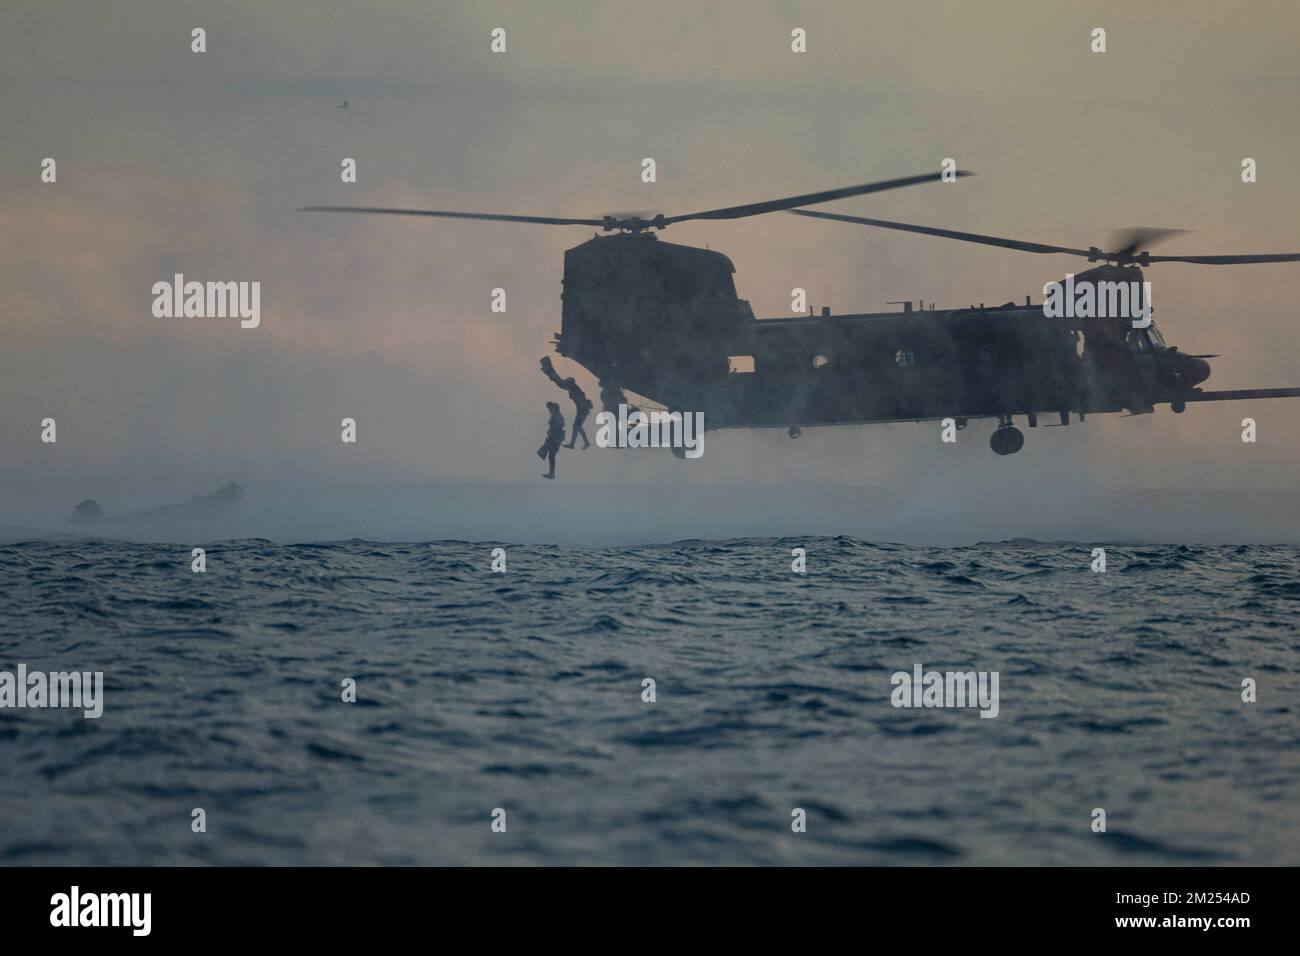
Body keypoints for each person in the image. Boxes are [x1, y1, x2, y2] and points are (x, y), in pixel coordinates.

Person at [540, 356, 592, 449]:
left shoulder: (576, 390)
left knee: (577, 426)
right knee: (576, 427)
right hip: (582, 410)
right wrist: (550, 373)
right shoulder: (573, 389)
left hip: (583, 410)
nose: (566, 384)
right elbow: (560, 382)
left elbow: (561, 383)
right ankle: (576, 443)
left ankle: (582, 443)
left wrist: (550, 373)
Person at [537, 402, 565, 479]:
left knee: (551, 456)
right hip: (553, 438)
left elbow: (560, 425)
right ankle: (551, 473)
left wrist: (553, 432)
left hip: (555, 438)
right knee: (550, 456)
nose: (549, 410)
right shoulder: (555, 416)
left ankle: (551, 474)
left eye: (550, 409)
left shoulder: (558, 416)